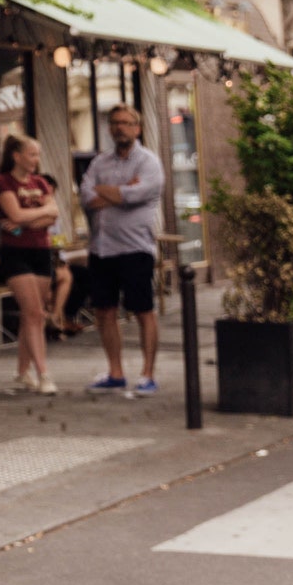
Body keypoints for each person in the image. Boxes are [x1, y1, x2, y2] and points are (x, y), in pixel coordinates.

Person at [79, 101, 166, 395]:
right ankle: (115, 372)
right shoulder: (99, 163)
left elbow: (140, 193)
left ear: (137, 128)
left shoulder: (148, 162)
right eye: (115, 123)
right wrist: (119, 192)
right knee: (104, 311)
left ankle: (147, 374)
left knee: (143, 310)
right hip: (101, 249)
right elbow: (87, 196)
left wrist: (116, 192)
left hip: (135, 248)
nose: (120, 128)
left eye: (126, 123)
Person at [0, 133, 59, 395]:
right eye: (31, 154)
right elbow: (15, 213)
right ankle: (44, 374)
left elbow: (53, 215)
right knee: (35, 314)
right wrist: (31, 216)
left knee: (30, 315)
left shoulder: (41, 182)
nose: (36, 160)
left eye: (37, 155)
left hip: (41, 252)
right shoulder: (3, 182)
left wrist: (24, 220)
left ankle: (22, 373)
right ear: (17, 156)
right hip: (15, 253)